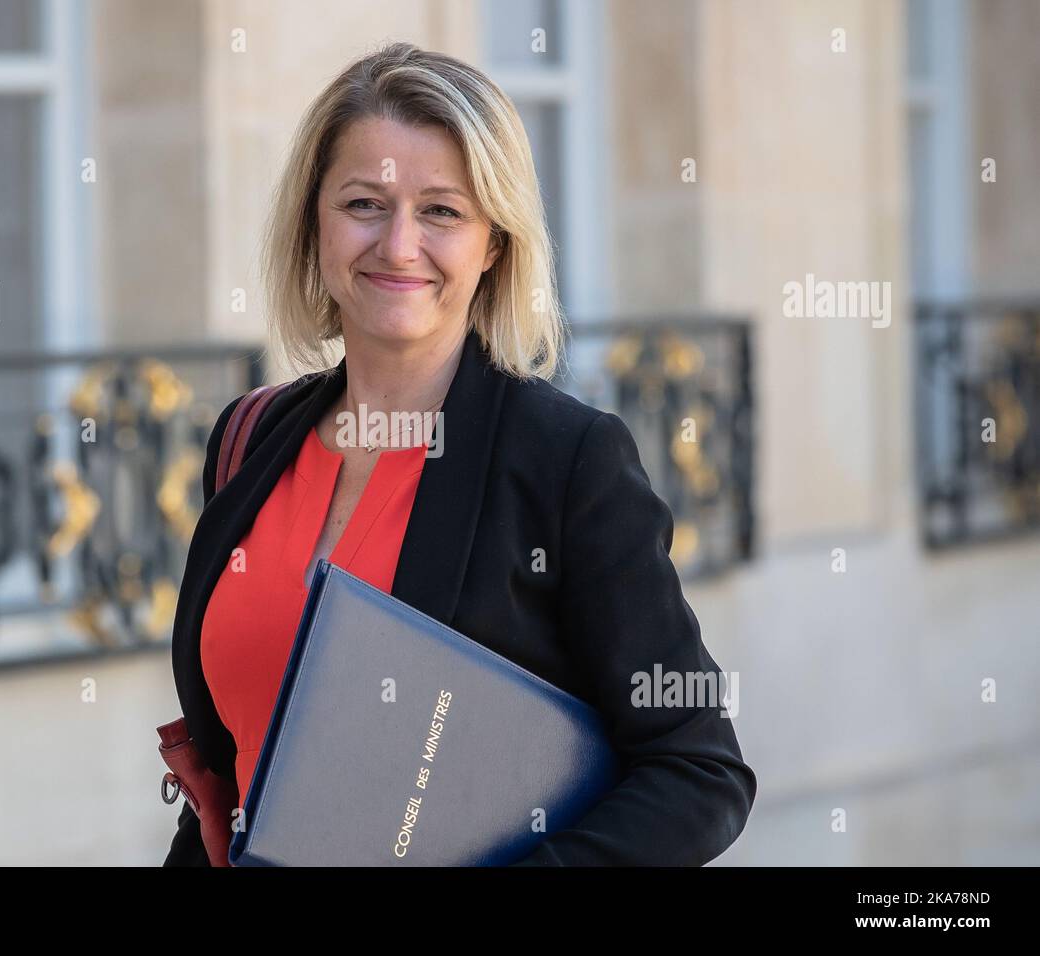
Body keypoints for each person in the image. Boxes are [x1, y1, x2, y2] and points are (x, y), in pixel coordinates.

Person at [164, 41, 754, 866]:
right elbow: (229, 778)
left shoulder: (567, 458)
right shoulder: (249, 440)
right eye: (364, 203)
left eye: (443, 211)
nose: (399, 246)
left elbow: (700, 770)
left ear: (494, 246)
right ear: (314, 224)